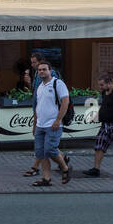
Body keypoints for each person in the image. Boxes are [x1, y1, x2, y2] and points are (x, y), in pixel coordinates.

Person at [22, 50, 65, 178]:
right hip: (39, 112)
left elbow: (59, 96)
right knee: (44, 146)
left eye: (34, 62)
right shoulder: (36, 74)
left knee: (46, 146)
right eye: (32, 62)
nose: (32, 65)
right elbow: (37, 92)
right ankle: (62, 159)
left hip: (51, 118)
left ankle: (39, 167)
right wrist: (28, 82)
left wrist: (58, 119)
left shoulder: (52, 75)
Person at [30, 59, 71, 187]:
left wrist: (58, 120)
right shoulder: (39, 87)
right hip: (40, 125)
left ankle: (65, 168)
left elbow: (65, 102)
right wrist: (35, 124)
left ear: (50, 71)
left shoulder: (57, 83)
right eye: (39, 70)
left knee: (50, 149)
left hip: (53, 124)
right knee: (41, 154)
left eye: (44, 69)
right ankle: (46, 179)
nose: (41, 72)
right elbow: (38, 107)